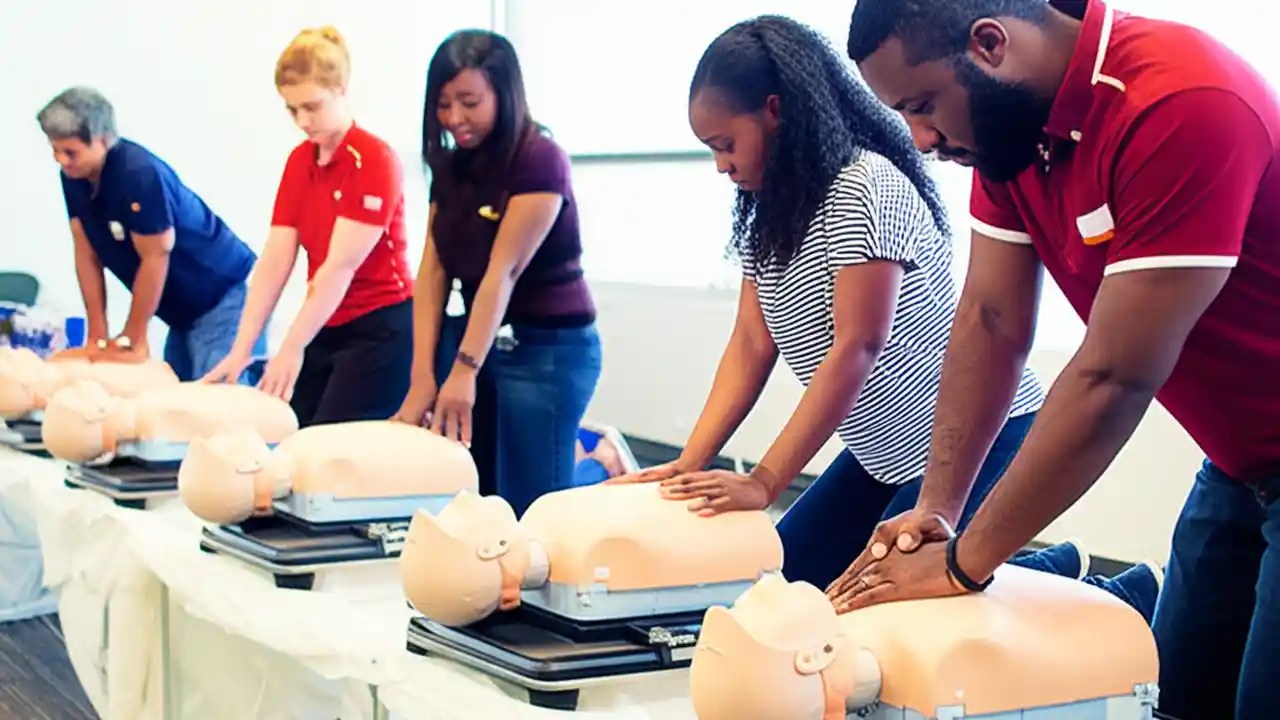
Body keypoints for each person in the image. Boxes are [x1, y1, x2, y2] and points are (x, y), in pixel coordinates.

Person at [610, 15, 1159, 616]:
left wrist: (765, 480)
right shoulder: (770, 210)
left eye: (725, 145)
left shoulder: (863, 188)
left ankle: (1109, 592)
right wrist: (690, 464)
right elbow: (750, 343)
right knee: (785, 590)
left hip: (977, 438)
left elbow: (856, 349)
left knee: (893, 606)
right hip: (881, 456)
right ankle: (1048, 568)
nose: (722, 165)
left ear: (773, 111)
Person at [840, 1, 1280, 718]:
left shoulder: (1181, 101)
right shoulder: (1009, 134)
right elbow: (989, 320)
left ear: (989, 45)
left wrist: (962, 564)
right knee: (1172, 694)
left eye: (922, 107)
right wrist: (938, 512)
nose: (920, 141)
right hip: (1236, 467)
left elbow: (1112, 376)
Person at [392, 29, 602, 517]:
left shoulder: (540, 160)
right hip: (483, 340)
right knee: (479, 489)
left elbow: (501, 274)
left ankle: (598, 466)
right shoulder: (451, 167)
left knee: (533, 503)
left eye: (469, 102)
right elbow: (433, 271)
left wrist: (462, 372)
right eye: (443, 105)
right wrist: (423, 375)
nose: (454, 119)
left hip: (550, 348)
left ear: (503, 95)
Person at [204, 27, 414, 426]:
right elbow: (276, 259)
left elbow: (339, 268)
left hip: (379, 326)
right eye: (291, 110)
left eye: (312, 107)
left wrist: (292, 347)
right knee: (291, 433)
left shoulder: (373, 160)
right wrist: (243, 347)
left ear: (342, 89)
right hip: (325, 321)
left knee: (327, 447)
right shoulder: (300, 162)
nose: (302, 120)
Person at [38, 86, 262, 381]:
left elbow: (155, 256)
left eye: (71, 152)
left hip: (223, 294)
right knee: (177, 403)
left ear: (103, 140)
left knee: (219, 398)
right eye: (55, 150)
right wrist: (97, 335)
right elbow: (86, 252)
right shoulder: (73, 178)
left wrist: (134, 336)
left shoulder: (139, 174)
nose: (62, 160)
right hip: (181, 311)